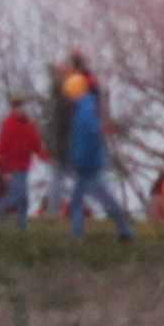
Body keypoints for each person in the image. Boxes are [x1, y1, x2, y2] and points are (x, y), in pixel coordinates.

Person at [58, 60, 135, 240]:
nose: (68, 97)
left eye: (69, 93)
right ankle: (121, 230)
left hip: (87, 164)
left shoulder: (84, 110)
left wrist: (80, 159)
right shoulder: (87, 106)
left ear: (75, 92)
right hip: (89, 162)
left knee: (100, 199)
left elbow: (93, 132)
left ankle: (123, 230)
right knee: (84, 200)